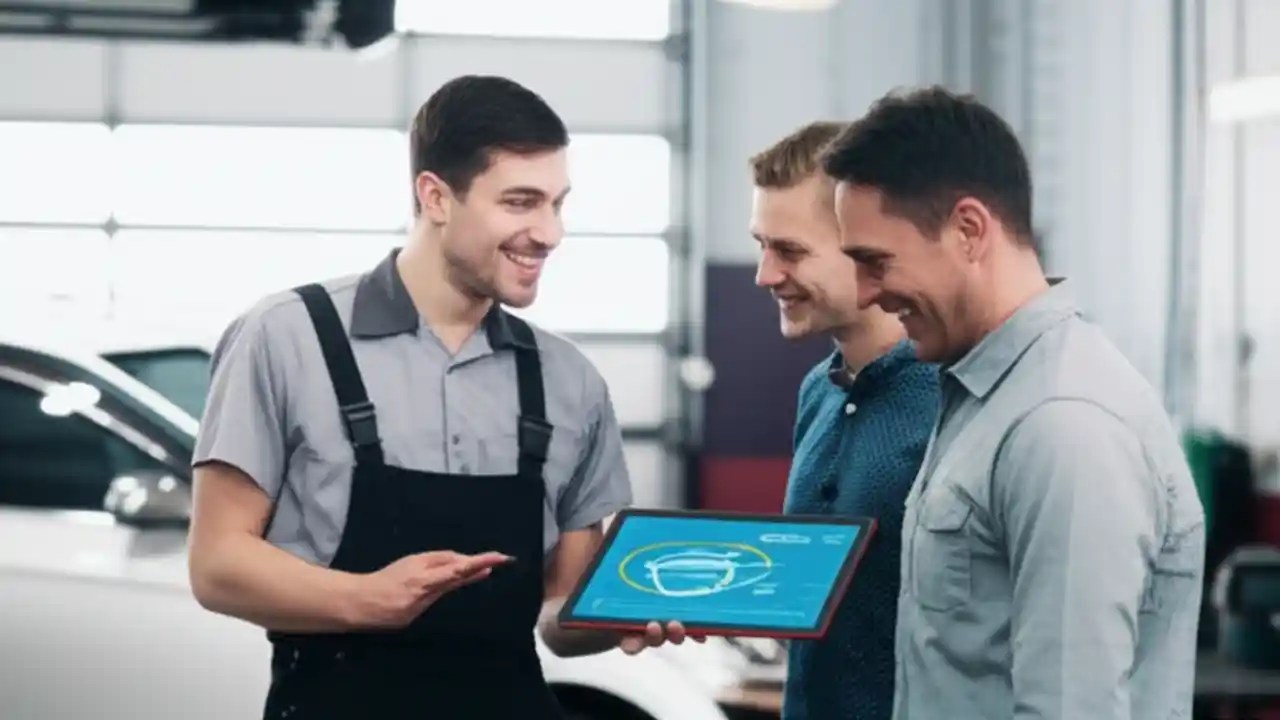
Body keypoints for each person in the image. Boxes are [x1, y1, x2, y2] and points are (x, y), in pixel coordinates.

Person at [186, 75, 691, 720]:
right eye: (520, 202)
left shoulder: (570, 382)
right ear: (436, 196)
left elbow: (559, 618)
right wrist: (369, 599)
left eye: (558, 204)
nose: (549, 233)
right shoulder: (285, 338)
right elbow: (216, 563)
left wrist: (624, 617)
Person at [821, 86, 1206, 720]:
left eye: (876, 261)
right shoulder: (982, 396)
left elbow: (1069, 708)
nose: (864, 293)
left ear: (970, 230)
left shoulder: (1062, 423)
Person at [749, 122, 940, 720]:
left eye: (790, 251)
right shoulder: (818, 391)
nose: (764, 274)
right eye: (761, 244)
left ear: (866, 246)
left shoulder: (954, 399)